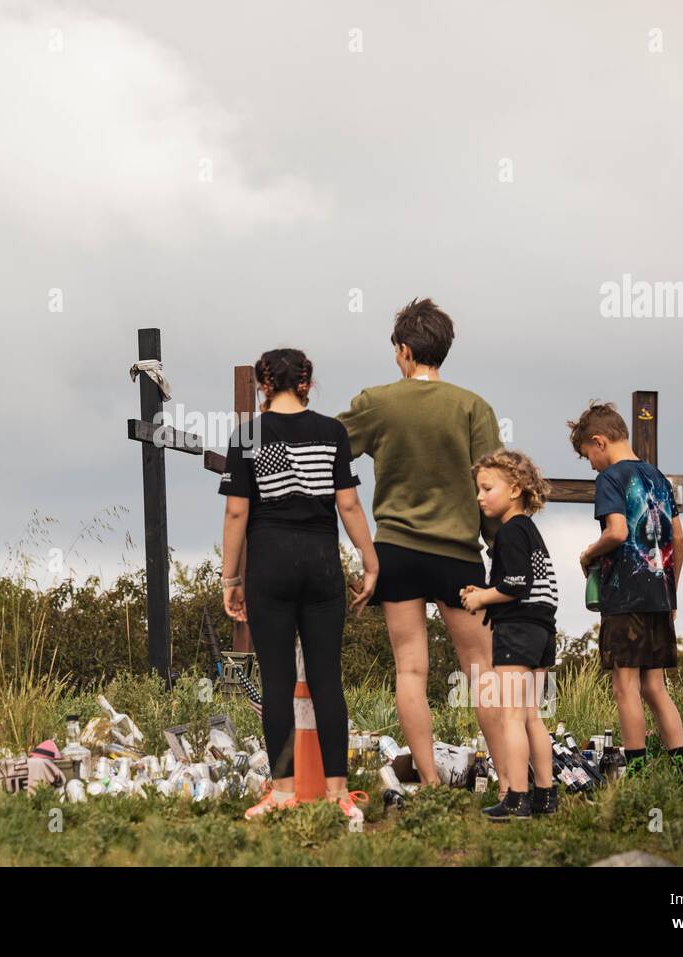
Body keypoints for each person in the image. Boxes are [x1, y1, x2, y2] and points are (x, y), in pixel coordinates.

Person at [335, 298, 505, 786]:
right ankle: (510, 776)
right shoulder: (474, 407)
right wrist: (499, 554)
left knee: (411, 669)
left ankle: (429, 780)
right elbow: (491, 488)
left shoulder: (377, 402)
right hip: (459, 554)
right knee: (481, 670)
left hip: (397, 551)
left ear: (404, 351)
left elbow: (329, 449)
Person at [219, 348, 379, 822]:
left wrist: (231, 578)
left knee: (277, 683)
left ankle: (284, 792)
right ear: (307, 383)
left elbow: (236, 511)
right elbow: (348, 506)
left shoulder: (248, 435)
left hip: (270, 564)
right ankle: (338, 794)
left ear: (265, 385)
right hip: (321, 563)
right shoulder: (332, 432)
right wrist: (370, 564)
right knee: (328, 680)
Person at [567, 401, 683, 775]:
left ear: (599, 442)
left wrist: (589, 552)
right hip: (660, 595)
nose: (591, 465)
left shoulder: (610, 479)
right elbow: (679, 540)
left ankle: (636, 773)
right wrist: (672, 594)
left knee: (625, 686)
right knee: (655, 687)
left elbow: (617, 532)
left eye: (588, 455)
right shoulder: (659, 478)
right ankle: (682, 768)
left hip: (625, 597)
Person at [460, 450, 559, 820]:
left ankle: (516, 796)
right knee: (532, 714)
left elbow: (516, 585)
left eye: (487, 488)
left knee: (512, 715)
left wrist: (483, 597)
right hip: (541, 629)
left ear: (515, 489)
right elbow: (520, 582)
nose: (479, 496)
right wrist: (483, 593)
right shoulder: (529, 531)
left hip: (518, 629)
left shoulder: (511, 531)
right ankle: (545, 796)